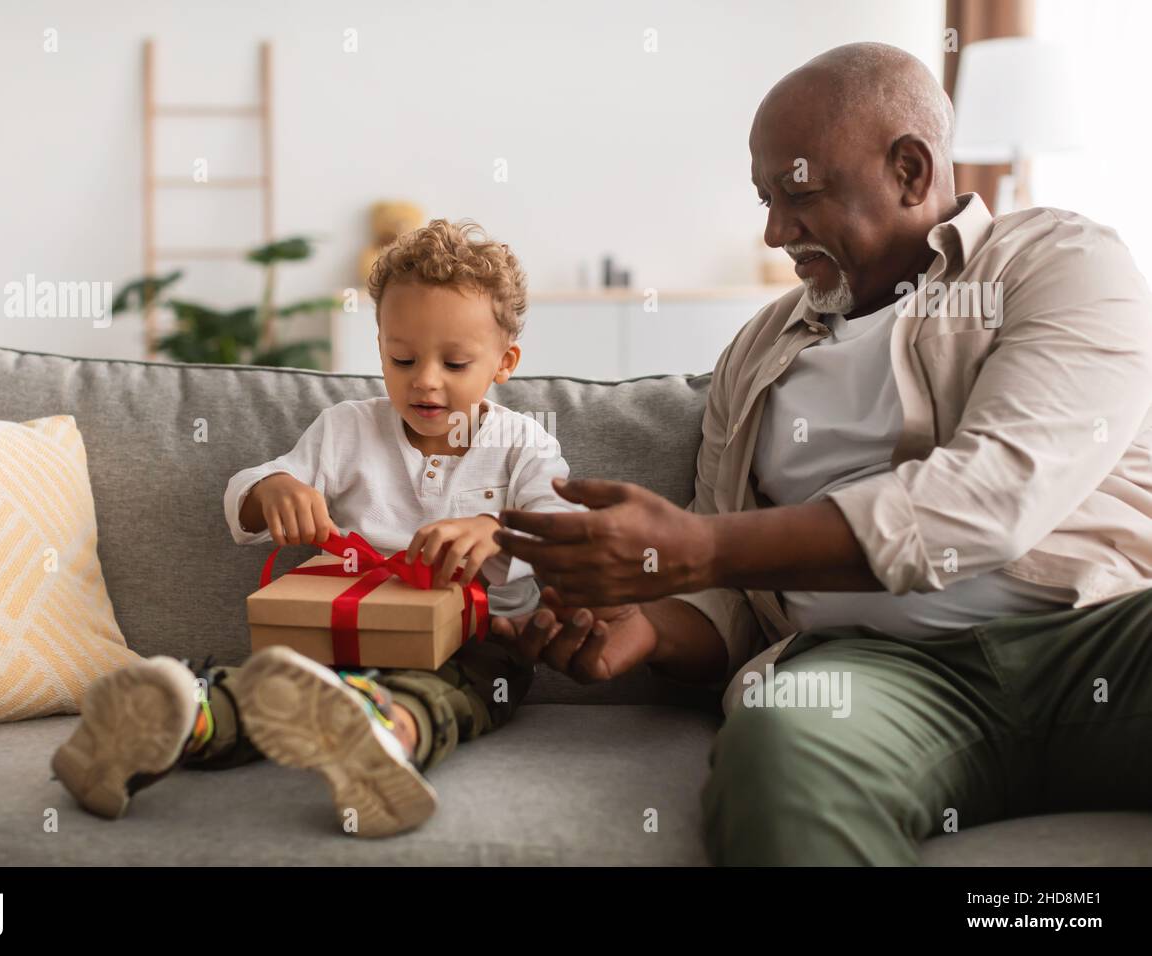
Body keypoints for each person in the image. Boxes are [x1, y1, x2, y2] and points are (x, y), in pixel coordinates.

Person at [493, 42, 1152, 865]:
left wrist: (696, 550)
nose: (774, 232)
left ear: (910, 171)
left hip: (1098, 639)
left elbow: (992, 496)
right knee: (780, 753)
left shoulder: (1056, 262)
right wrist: (649, 630)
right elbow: (729, 592)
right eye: (765, 199)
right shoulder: (756, 352)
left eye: (798, 193)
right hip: (873, 680)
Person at [53, 219, 574, 837]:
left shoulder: (522, 444)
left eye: (455, 362)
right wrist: (273, 491)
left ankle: (382, 738)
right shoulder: (348, 430)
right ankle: (170, 720)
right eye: (401, 358)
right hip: (341, 638)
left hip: (475, 646)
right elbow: (246, 497)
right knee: (271, 686)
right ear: (379, 345)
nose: (425, 379)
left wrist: (497, 530)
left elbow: (568, 531)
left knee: (446, 694)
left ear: (504, 362)